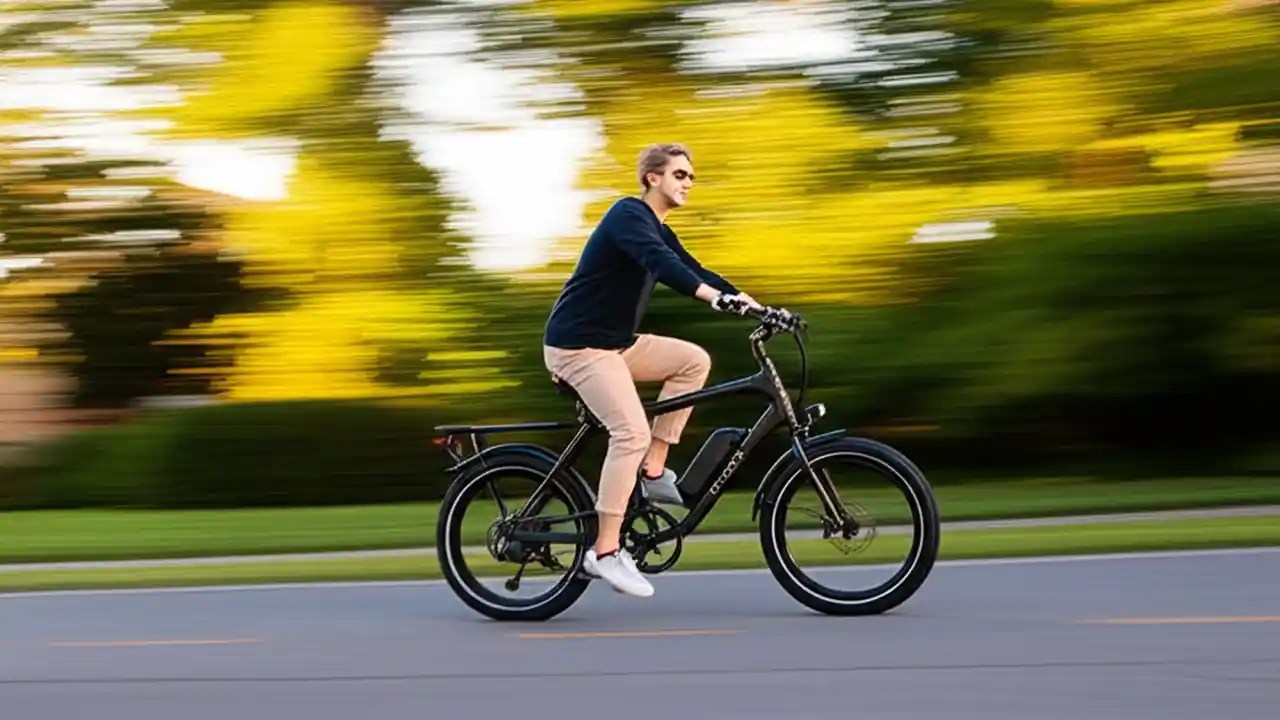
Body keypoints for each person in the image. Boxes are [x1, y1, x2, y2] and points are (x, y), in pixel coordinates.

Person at [542, 142, 761, 598]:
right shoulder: (628, 216)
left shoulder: (659, 228)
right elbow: (661, 265)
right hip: (578, 347)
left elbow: (691, 267)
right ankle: (603, 553)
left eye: (691, 177)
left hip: (616, 345)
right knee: (631, 433)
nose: (687, 183)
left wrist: (748, 302)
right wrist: (710, 298)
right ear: (652, 178)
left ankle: (653, 471)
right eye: (679, 174)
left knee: (692, 360)